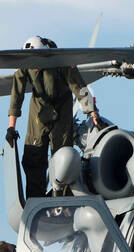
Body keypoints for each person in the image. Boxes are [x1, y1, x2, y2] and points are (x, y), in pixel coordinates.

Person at [8, 35, 103, 199]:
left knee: (63, 157)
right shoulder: (25, 66)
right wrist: (11, 126)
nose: (34, 66)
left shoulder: (61, 62)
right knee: (33, 155)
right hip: (38, 109)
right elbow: (17, 94)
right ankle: (35, 200)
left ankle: (63, 199)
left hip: (62, 109)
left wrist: (93, 112)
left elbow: (79, 86)